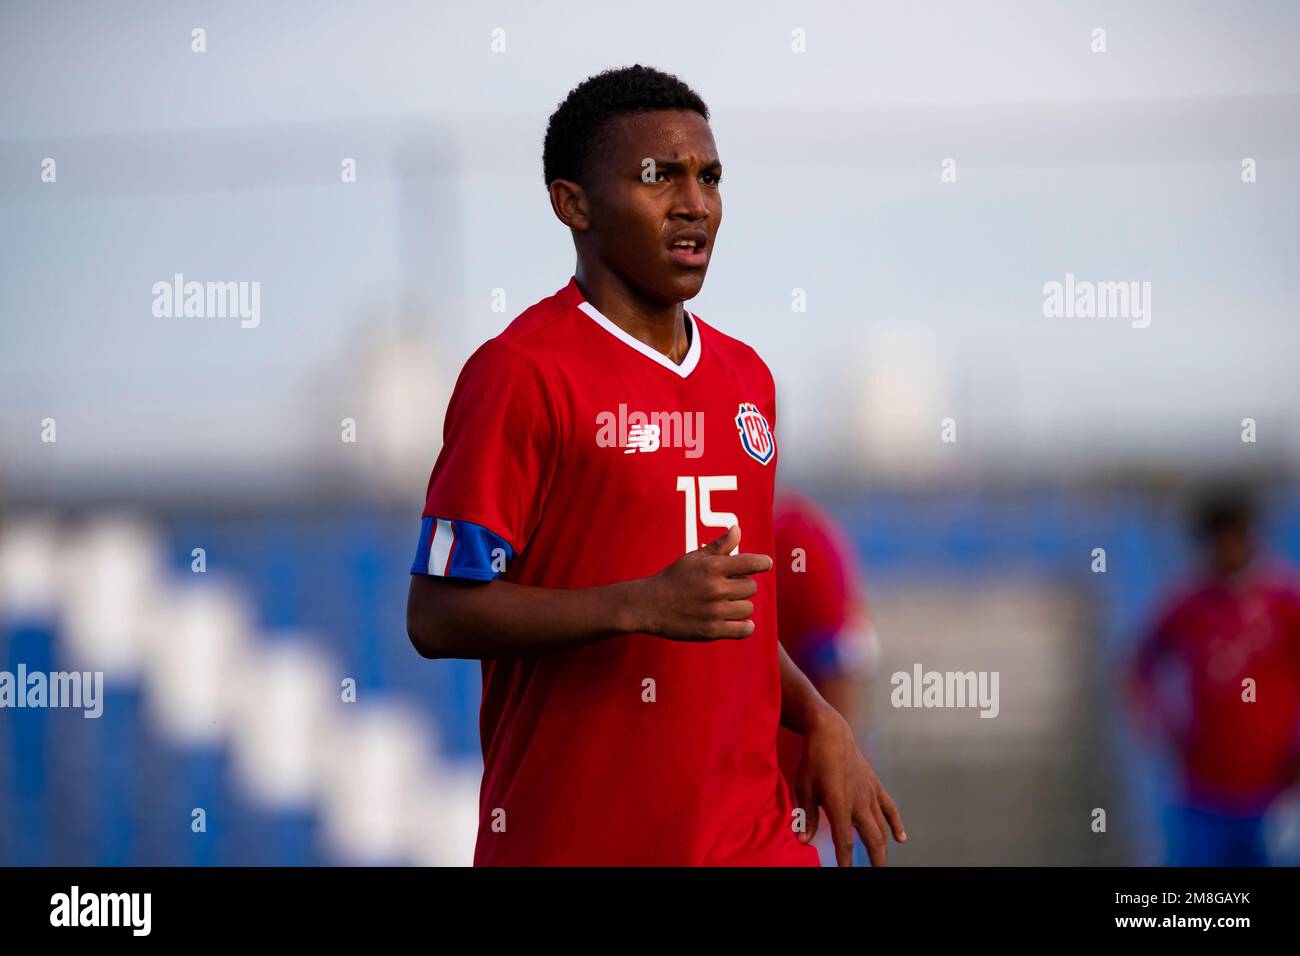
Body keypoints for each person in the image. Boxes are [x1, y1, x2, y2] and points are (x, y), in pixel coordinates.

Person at [405, 65, 904, 866]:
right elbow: (435, 615)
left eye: (708, 177)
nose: (694, 203)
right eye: (657, 177)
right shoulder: (521, 373)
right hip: (575, 839)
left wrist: (816, 718)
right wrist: (637, 604)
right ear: (573, 204)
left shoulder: (747, 380)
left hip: (752, 839)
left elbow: (728, 615)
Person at [1128, 486, 1300, 865]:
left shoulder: (1285, 604)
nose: (1227, 549)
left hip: (1276, 796)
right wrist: (1164, 729)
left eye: (1235, 537)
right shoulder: (1187, 607)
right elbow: (1139, 668)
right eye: (1217, 539)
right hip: (1202, 794)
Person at [773, 486, 883, 864]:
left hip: (809, 826)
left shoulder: (799, 540)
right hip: (743, 821)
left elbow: (840, 671)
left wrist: (828, 813)